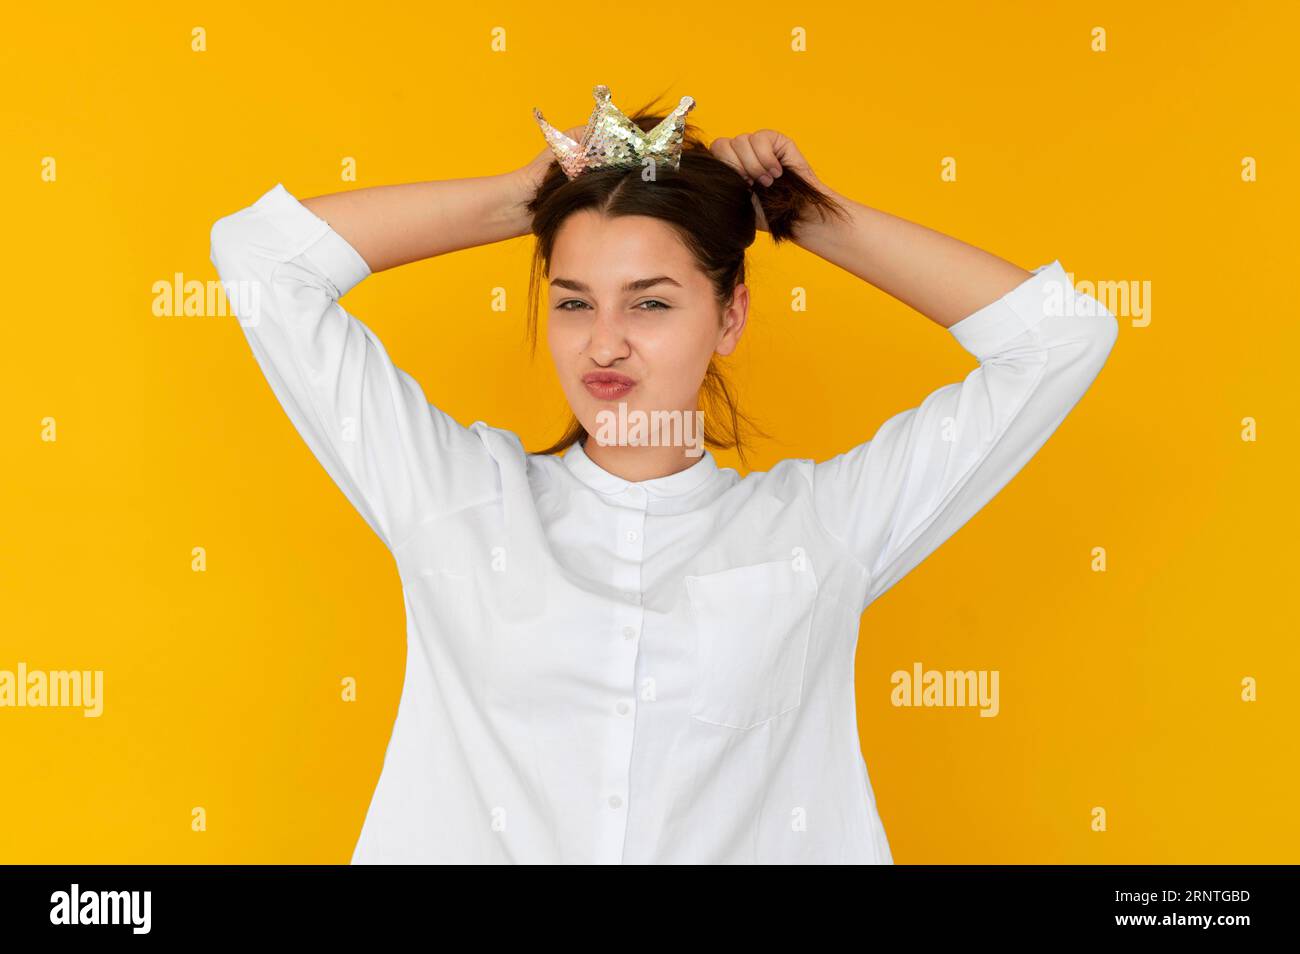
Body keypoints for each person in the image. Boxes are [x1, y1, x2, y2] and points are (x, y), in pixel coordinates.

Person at [208, 85, 1119, 864]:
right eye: (574, 303)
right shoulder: (455, 498)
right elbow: (260, 259)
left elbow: (1061, 339)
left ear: (730, 317)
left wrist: (802, 218)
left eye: (650, 302)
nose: (605, 342)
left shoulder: (818, 529)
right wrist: (525, 199)